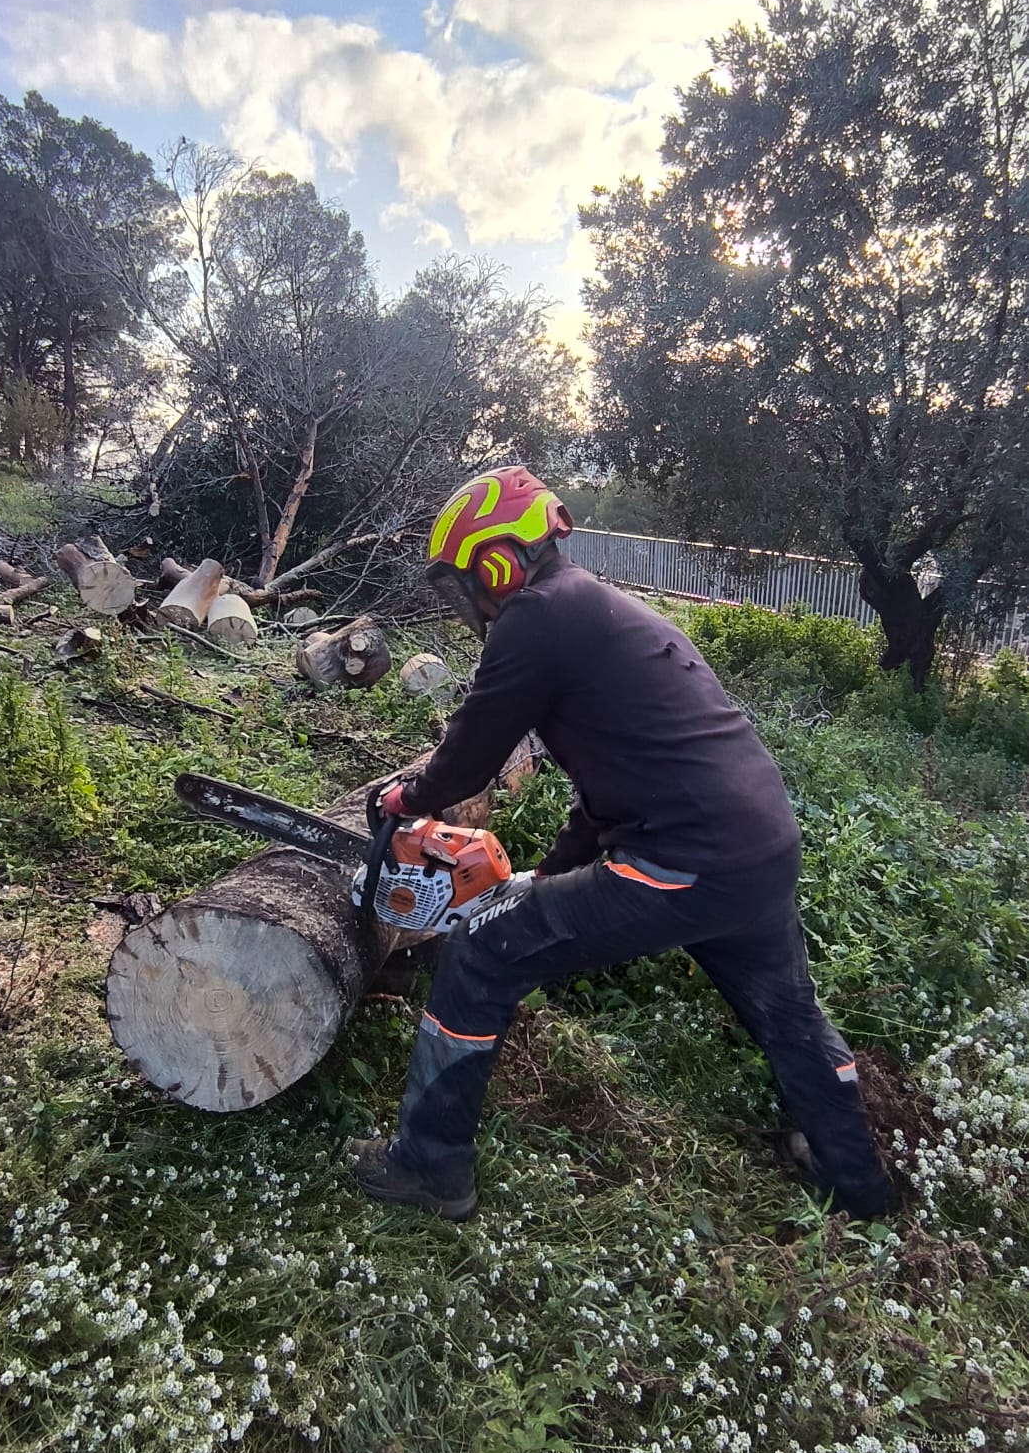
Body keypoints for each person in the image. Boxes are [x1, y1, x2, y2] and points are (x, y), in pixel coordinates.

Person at [348, 466, 895, 1224]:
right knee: (789, 1014)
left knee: (479, 947)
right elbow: (608, 792)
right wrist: (547, 877)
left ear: (498, 561)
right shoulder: (595, 609)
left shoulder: (535, 617)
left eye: (461, 580)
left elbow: (469, 757)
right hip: (758, 849)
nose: (463, 599)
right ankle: (857, 1184)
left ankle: (429, 1167)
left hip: (689, 858)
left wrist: (405, 799)